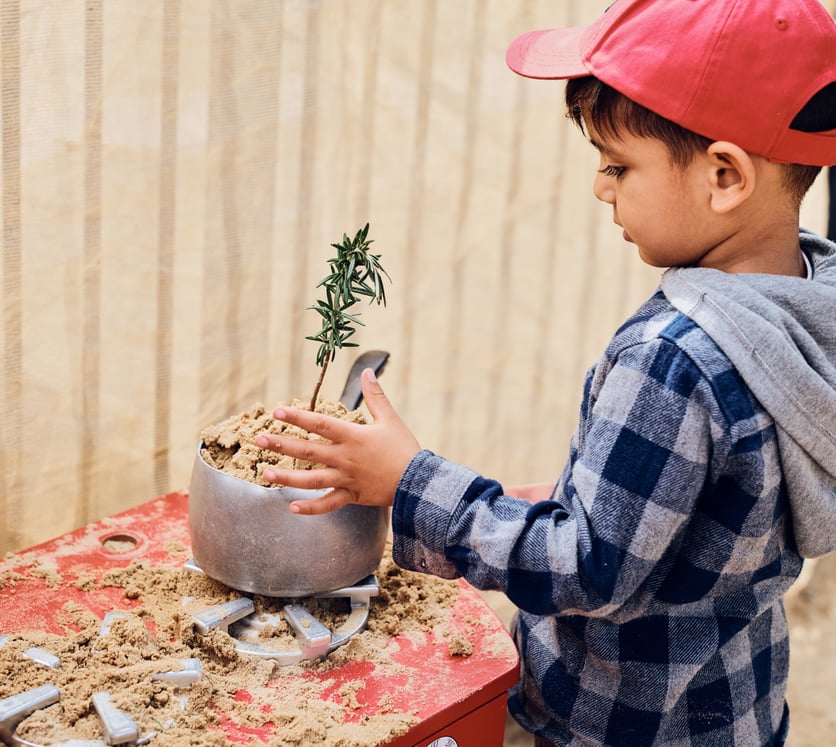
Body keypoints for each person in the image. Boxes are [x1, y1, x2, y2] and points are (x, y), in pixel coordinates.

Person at [256, 1, 836, 745]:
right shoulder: (805, 304)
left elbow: (585, 567)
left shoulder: (674, 358)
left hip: (611, 724)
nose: (601, 186)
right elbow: (704, 513)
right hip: (737, 705)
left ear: (725, 175)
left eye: (618, 164)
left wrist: (410, 480)